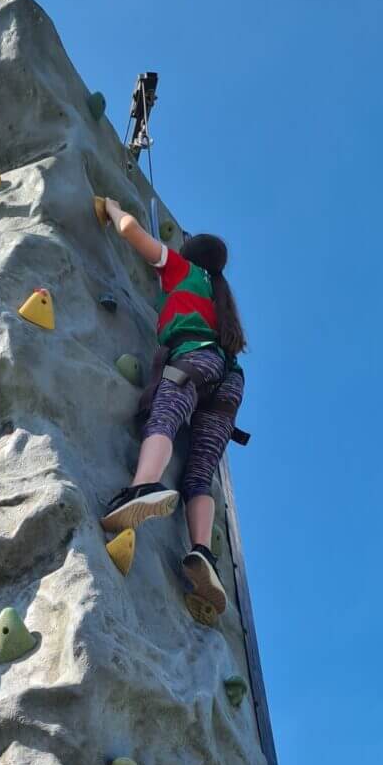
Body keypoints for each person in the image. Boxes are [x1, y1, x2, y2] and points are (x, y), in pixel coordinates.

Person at [98, 200, 247, 615]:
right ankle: (202, 552)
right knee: (200, 472)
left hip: (193, 358)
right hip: (230, 383)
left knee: (165, 414)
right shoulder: (222, 299)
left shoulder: (184, 271)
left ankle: (143, 486)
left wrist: (111, 208)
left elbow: (133, 233)